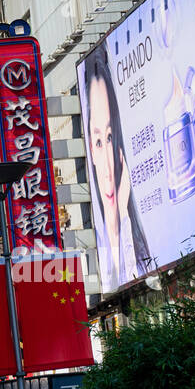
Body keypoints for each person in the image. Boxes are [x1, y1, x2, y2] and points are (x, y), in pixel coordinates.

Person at [82, 46, 154, 290]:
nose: (108, 167)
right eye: (99, 141)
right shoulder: (96, 243)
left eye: (111, 137)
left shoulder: (141, 241)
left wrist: (123, 214)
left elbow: (136, 274)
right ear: (90, 149)